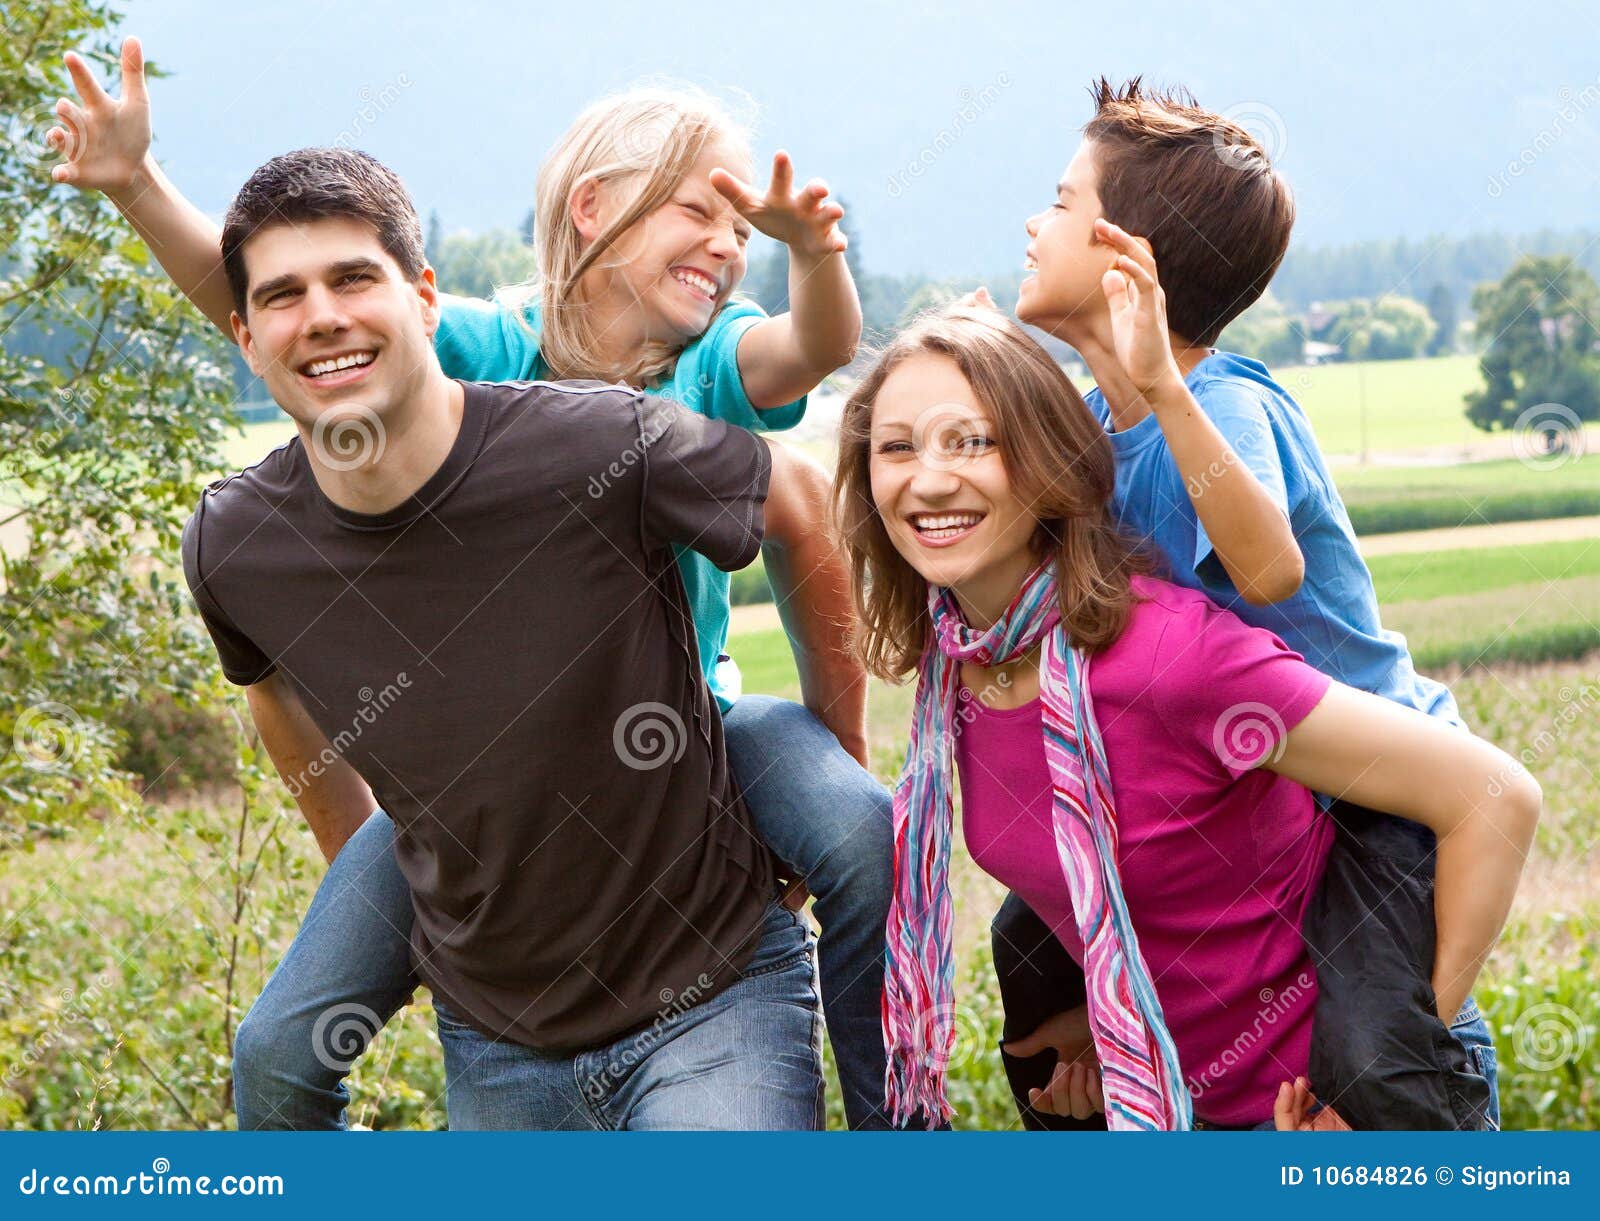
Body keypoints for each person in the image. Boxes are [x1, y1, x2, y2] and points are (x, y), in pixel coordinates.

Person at [50, 38, 906, 1128]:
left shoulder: (708, 361)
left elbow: (815, 359)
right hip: (481, 793)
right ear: (594, 208)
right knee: (276, 1050)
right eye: (702, 212)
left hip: (708, 717)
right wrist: (136, 185)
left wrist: (813, 255)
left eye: (740, 230)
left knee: (855, 828)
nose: (726, 245)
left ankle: (896, 1126)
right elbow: (291, 303)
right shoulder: (487, 344)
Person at [183, 145, 828, 1128]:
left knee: (862, 836)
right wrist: (356, 857)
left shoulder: (598, 442)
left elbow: (804, 504)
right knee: (272, 1061)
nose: (321, 316)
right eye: (282, 296)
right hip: (498, 1036)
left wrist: (836, 736)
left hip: (715, 995)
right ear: (244, 335)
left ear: (424, 297)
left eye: (355, 277)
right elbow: (273, 688)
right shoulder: (236, 544)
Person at [832, 302, 1539, 1130]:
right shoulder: (956, 673)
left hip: (1339, 1119)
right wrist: (1110, 1038)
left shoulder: (1173, 655)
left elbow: (1495, 796)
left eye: (972, 441)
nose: (930, 477)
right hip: (1173, 1113)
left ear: (1049, 462)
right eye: (897, 446)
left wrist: (1378, 1073)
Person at [985, 77, 1504, 1128]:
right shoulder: (1089, 427)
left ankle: (1418, 1092)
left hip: (1368, 795)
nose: (1032, 224)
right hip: (1249, 790)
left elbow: (1268, 574)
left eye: (1058, 199)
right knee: (1026, 951)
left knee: (1372, 1052)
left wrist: (1165, 395)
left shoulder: (1224, 403)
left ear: (1128, 256)